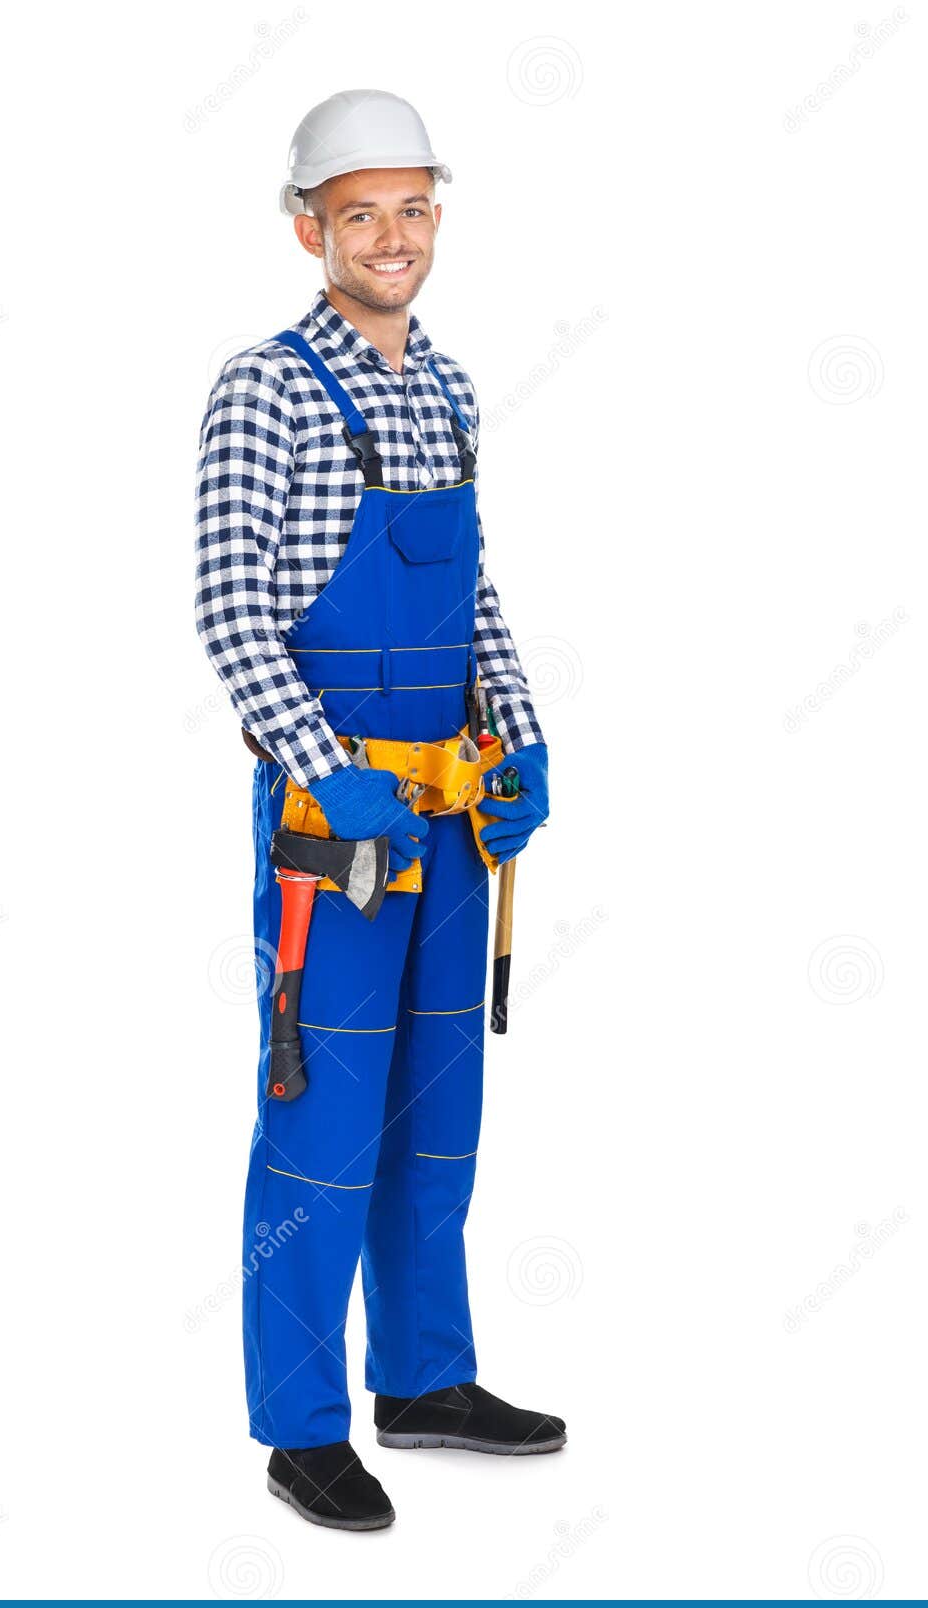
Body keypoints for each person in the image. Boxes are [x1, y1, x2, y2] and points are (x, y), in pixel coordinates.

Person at [194, 89, 563, 1531]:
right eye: (360, 213)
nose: (392, 236)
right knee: (319, 1117)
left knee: (435, 1114)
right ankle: (300, 1425)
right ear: (310, 226)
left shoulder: (451, 388)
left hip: (449, 823)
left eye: (413, 208)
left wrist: (518, 741)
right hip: (332, 830)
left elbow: (473, 597)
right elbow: (231, 612)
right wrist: (321, 765)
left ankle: (421, 1378)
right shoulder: (266, 387)